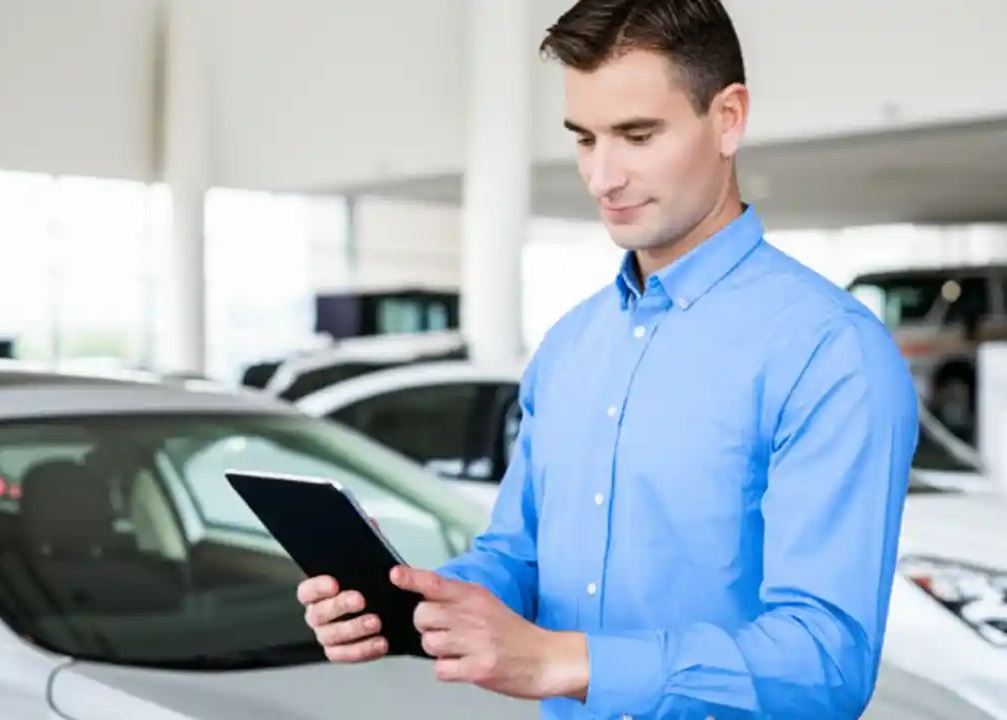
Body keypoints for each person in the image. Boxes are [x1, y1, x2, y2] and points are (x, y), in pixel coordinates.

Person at [297, 0, 919, 717]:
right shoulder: (569, 347)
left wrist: (569, 661)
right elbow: (519, 558)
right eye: (585, 139)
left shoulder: (829, 349)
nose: (602, 178)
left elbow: (826, 660)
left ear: (729, 119)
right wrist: (420, 596)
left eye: (636, 134)